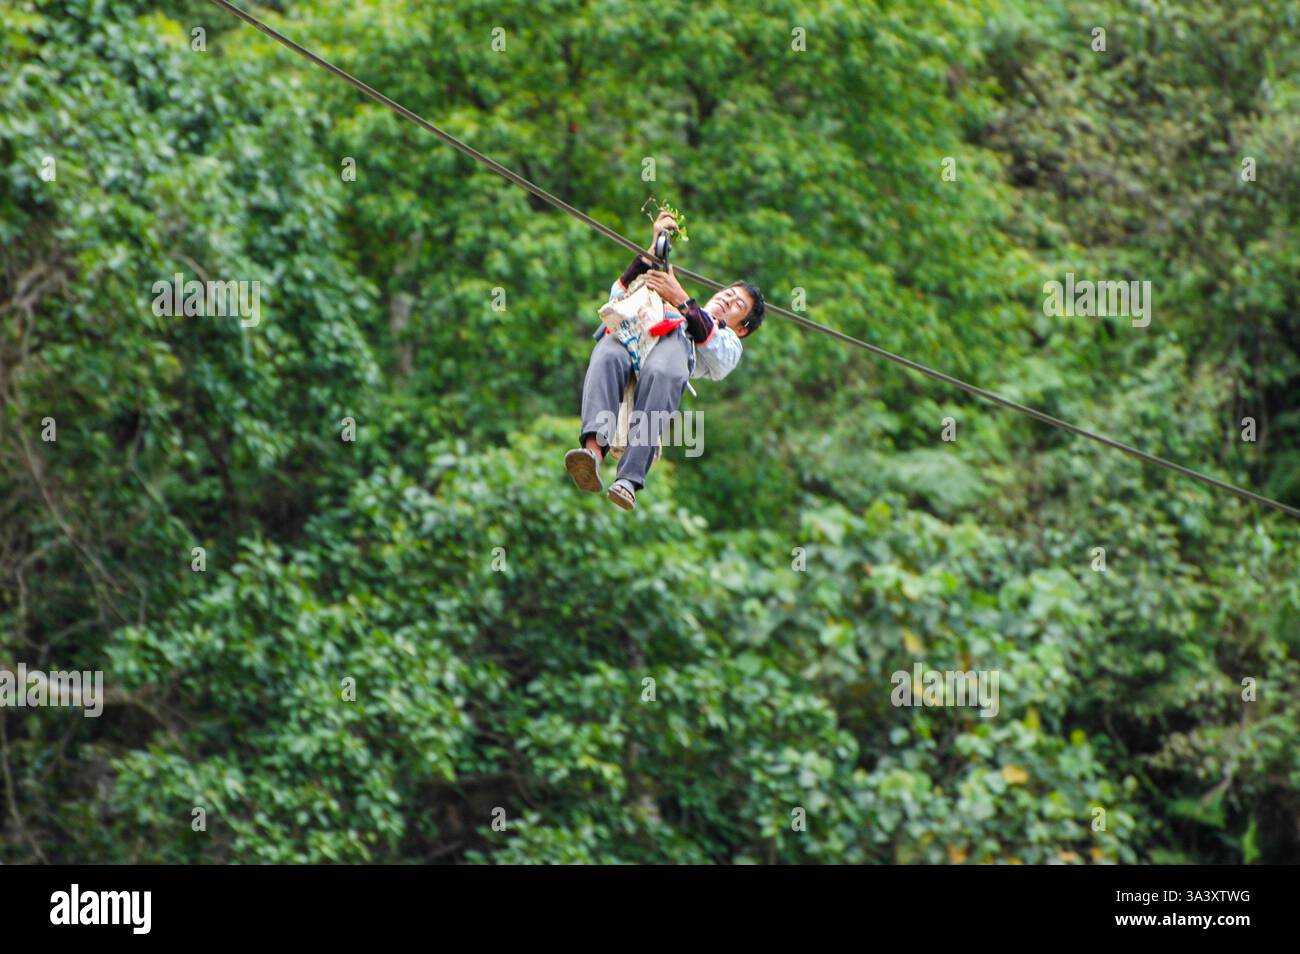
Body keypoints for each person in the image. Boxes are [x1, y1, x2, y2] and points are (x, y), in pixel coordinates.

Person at [565, 210, 765, 510]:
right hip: (635, 336)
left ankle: (628, 480)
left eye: (738, 304)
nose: (727, 299)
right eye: (729, 293)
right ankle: (592, 452)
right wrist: (655, 247)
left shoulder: (727, 341)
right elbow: (618, 296)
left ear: (742, 327)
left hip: (670, 348)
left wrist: (681, 300)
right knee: (606, 351)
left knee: (665, 370)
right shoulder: (668, 298)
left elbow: (711, 344)